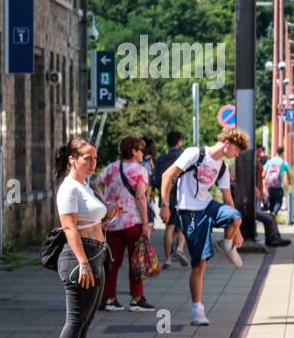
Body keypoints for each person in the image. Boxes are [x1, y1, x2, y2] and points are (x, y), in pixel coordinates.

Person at [159, 127, 249, 327]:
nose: (237, 154)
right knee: (199, 262)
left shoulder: (223, 167)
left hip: (208, 205)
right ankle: (197, 310)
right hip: (189, 212)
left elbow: (227, 198)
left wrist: (237, 231)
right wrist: (165, 205)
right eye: (237, 150)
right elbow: (167, 175)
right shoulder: (194, 153)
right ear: (227, 144)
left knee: (235, 216)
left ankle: (226, 245)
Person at [54, 137, 122, 338]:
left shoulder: (85, 185)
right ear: (72, 159)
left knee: (86, 319)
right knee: (75, 319)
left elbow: (92, 221)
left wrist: (110, 213)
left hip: (96, 254)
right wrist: (82, 262)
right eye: (87, 158)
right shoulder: (69, 188)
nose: (93, 163)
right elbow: (69, 226)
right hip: (78, 258)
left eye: (95, 158)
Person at [97, 136, 155, 312]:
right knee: (136, 260)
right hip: (132, 222)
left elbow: (95, 184)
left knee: (112, 262)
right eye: (140, 150)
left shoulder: (112, 167)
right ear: (133, 151)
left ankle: (109, 298)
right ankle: (137, 298)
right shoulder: (140, 170)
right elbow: (140, 197)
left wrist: (104, 204)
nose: (142, 153)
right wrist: (146, 223)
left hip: (111, 223)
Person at [154, 131, 189, 269]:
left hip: (166, 197)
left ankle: (167, 259)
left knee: (169, 227)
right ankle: (180, 249)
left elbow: (157, 180)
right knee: (182, 226)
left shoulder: (161, 159)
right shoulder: (184, 157)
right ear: (179, 142)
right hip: (182, 197)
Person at [263, 146, 290, 217]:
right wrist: (289, 182)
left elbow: (263, 174)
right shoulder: (284, 163)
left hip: (270, 185)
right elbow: (288, 174)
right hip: (278, 186)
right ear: (282, 153)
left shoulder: (269, 161)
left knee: (271, 202)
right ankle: (274, 213)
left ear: (276, 152)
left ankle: (271, 217)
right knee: (279, 202)